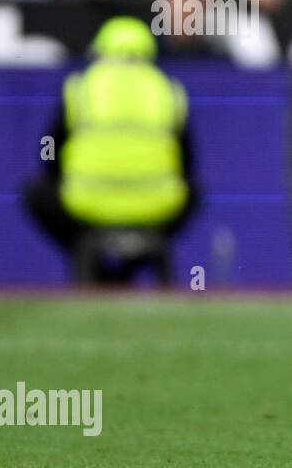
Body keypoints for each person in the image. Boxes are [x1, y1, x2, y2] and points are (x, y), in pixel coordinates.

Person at [24, 17, 196, 283]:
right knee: (194, 193)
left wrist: (65, 182)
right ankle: (127, 272)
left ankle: (102, 273)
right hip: (156, 207)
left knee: (36, 193)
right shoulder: (169, 90)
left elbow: (50, 152)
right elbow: (187, 164)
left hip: (86, 205)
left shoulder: (80, 87)